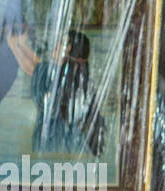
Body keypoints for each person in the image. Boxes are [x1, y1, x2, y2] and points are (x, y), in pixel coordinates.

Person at [8, 25, 104, 156]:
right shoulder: (79, 77)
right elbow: (37, 65)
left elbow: (32, 68)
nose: (56, 44)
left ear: (68, 50)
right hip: (71, 145)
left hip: (52, 144)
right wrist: (20, 45)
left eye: (61, 42)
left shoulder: (56, 77)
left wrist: (15, 46)